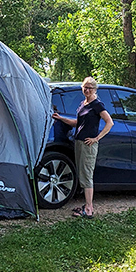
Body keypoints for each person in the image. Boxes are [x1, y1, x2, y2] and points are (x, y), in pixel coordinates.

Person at [52, 77, 113, 218]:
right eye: (85, 87)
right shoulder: (83, 104)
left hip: (88, 145)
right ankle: (86, 205)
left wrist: (96, 138)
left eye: (90, 88)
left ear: (95, 89)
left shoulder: (97, 105)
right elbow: (77, 123)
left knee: (86, 176)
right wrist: (60, 118)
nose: (87, 90)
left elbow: (109, 122)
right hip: (78, 143)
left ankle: (89, 209)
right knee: (82, 174)